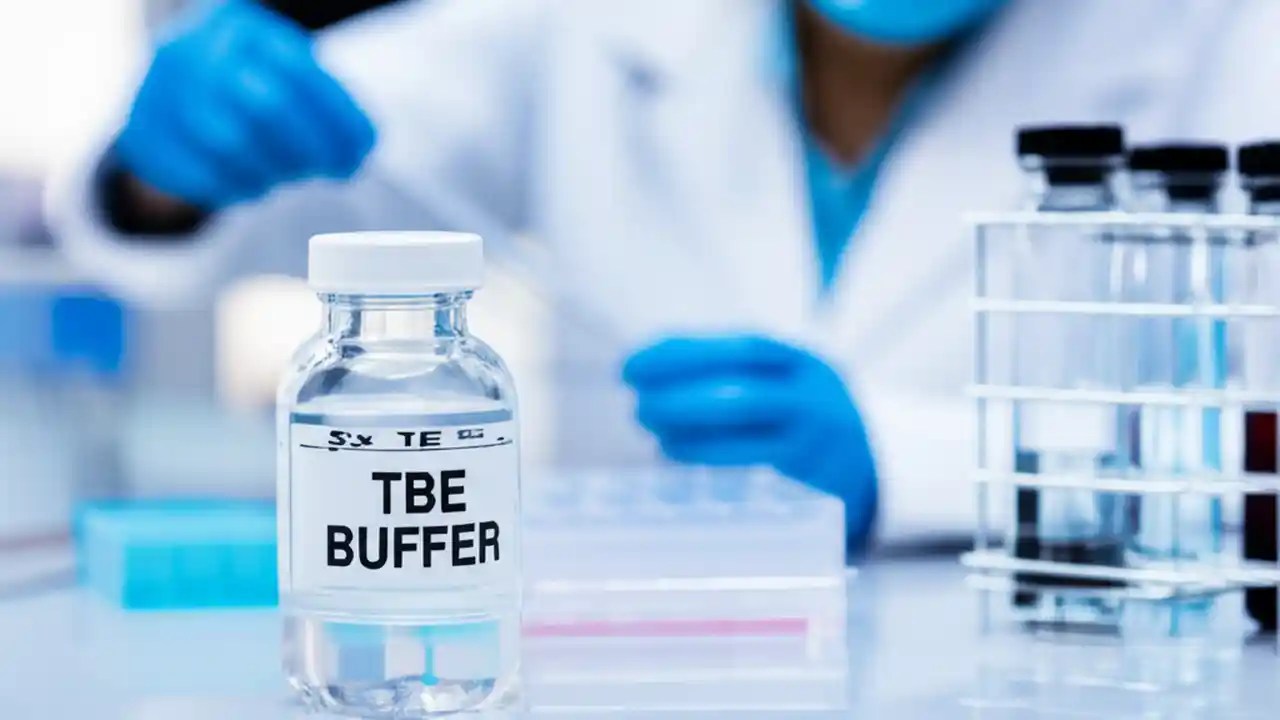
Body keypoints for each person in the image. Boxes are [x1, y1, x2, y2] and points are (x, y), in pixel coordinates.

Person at [45, 0, 1280, 551]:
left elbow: (1254, 456)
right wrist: (169, 164)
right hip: (638, 672)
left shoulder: (1220, 41)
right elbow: (286, 193)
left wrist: (899, 461)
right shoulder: (590, 24)